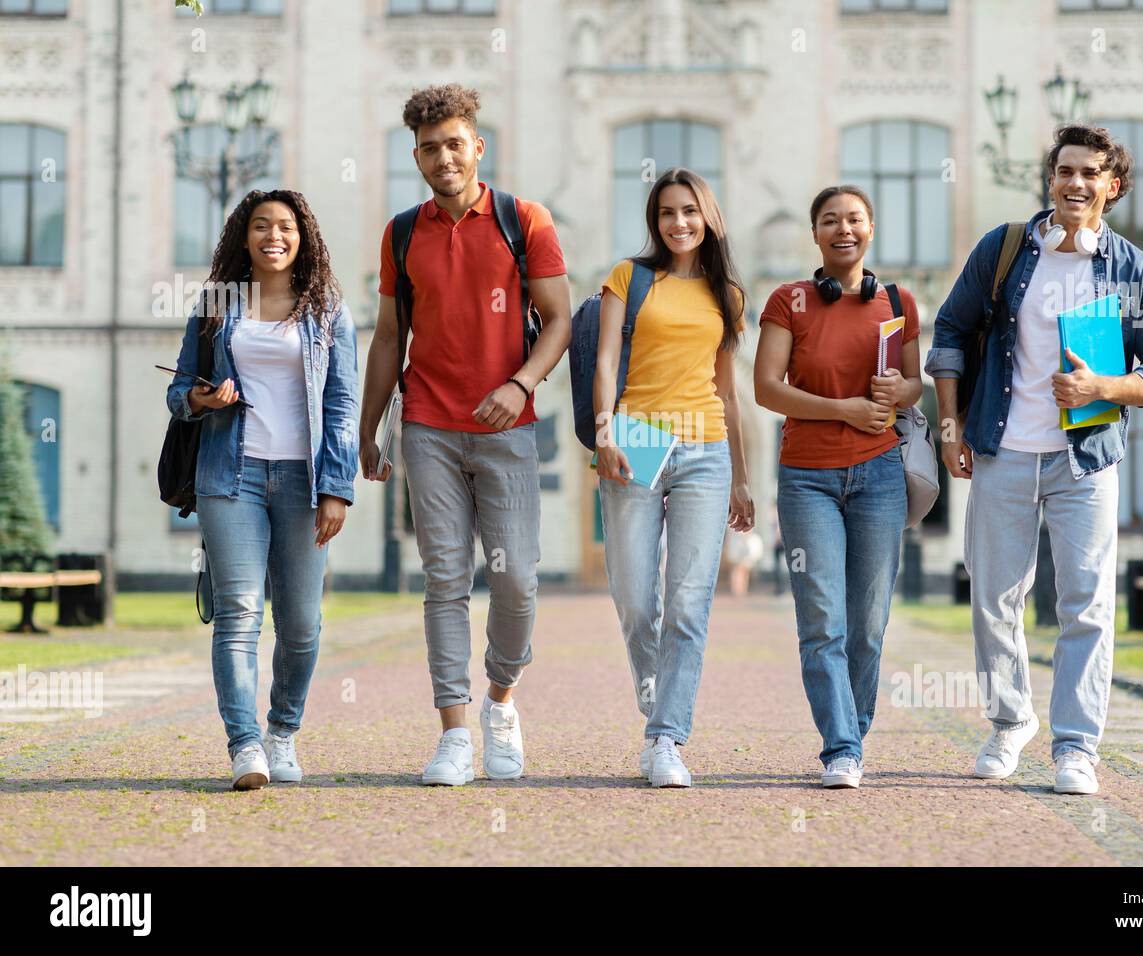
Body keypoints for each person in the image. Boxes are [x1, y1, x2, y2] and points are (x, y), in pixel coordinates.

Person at [925, 124, 1143, 795]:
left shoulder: (1133, 270)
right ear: (1051, 179)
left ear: (1112, 186)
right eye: (1064, 171)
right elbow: (950, 330)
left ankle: (1076, 748)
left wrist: (1103, 387)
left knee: (1086, 605)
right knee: (993, 600)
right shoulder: (1006, 251)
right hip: (1003, 449)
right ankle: (1010, 723)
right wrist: (949, 427)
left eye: (1090, 173)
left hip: (1088, 458)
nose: (1075, 184)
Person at [359, 83, 571, 786]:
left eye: (454, 144)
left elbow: (560, 320)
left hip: (509, 428)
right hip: (427, 425)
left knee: (517, 582)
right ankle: (453, 731)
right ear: (415, 156)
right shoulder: (399, 233)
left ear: (477, 146)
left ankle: (501, 702)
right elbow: (390, 337)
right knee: (444, 577)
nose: (443, 157)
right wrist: (370, 430)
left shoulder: (524, 219)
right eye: (428, 148)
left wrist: (521, 384)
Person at [165, 188, 359, 791]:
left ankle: (282, 731)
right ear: (242, 236)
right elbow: (177, 392)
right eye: (260, 225)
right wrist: (200, 398)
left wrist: (337, 486)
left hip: (304, 480)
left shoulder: (327, 307)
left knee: (301, 623)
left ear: (303, 237)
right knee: (240, 612)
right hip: (231, 475)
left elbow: (343, 402)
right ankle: (245, 744)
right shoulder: (217, 304)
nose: (274, 236)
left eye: (286, 226)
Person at [754, 185, 921, 790]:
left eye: (854, 219)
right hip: (807, 479)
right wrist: (843, 410)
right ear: (816, 233)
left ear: (870, 228)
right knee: (823, 620)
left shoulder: (898, 302)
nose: (843, 229)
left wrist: (897, 393)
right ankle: (841, 747)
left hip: (880, 476)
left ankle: (855, 730)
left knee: (868, 622)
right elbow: (767, 390)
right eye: (830, 220)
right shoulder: (788, 300)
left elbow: (913, 384)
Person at [594, 167, 754, 788]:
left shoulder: (727, 295)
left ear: (707, 217)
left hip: (706, 447)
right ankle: (654, 686)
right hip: (636, 438)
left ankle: (666, 738)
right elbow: (606, 359)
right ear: (654, 221)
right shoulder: (628, 279)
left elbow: (728, 391)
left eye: (689, 211)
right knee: (636, 600)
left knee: (689, 603)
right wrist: (606, 430)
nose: (678, 222)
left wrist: (741, 476)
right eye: (666, 212)